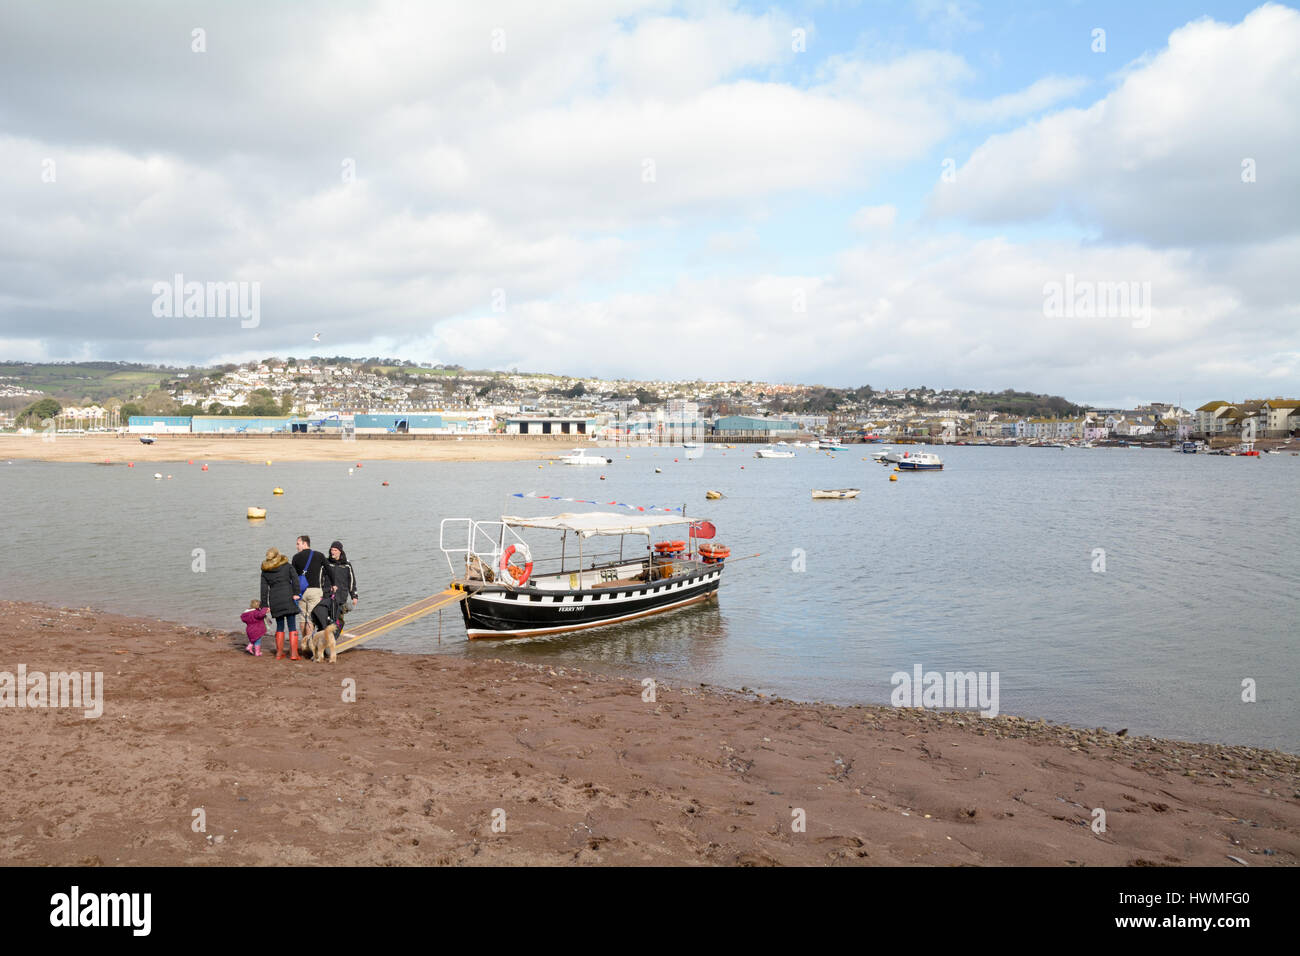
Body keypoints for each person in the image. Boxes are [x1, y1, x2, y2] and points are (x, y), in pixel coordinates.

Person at [260, 546, 302, 661]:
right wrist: (297, 593)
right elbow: (296, 580)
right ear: (278, 555)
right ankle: (294, 654)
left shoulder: (265, 570)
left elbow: (264, 589)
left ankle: (279, 653)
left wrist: (264, 605)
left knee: (280, 626)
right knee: (292, 625)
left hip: (275, 599)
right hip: (288, 597)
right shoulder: (287, 566)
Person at [292, 534, 328, 646]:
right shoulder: (319, 555)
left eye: (298, 544)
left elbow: (293, 576)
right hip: (315, 591)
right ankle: (311, 645)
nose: (297, 546)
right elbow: (329, 570)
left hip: (301, 591)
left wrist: (294, 592)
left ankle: (304, 645)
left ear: (304, 543)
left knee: (303, 619)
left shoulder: (296, 558)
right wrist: (334, 585)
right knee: (311, 618)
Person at [325, 540, 359, 642]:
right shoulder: (326, 563)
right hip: (328, 597)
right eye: (331, 550)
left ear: (340, 551)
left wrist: (354, 596)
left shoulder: (347, 565)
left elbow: (352, 581)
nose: (333, 552)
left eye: (335, 550)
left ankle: (332, 641)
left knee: (339, 621)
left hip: (341, 598)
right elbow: (320, 579)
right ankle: (328, 642)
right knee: (327, 621)